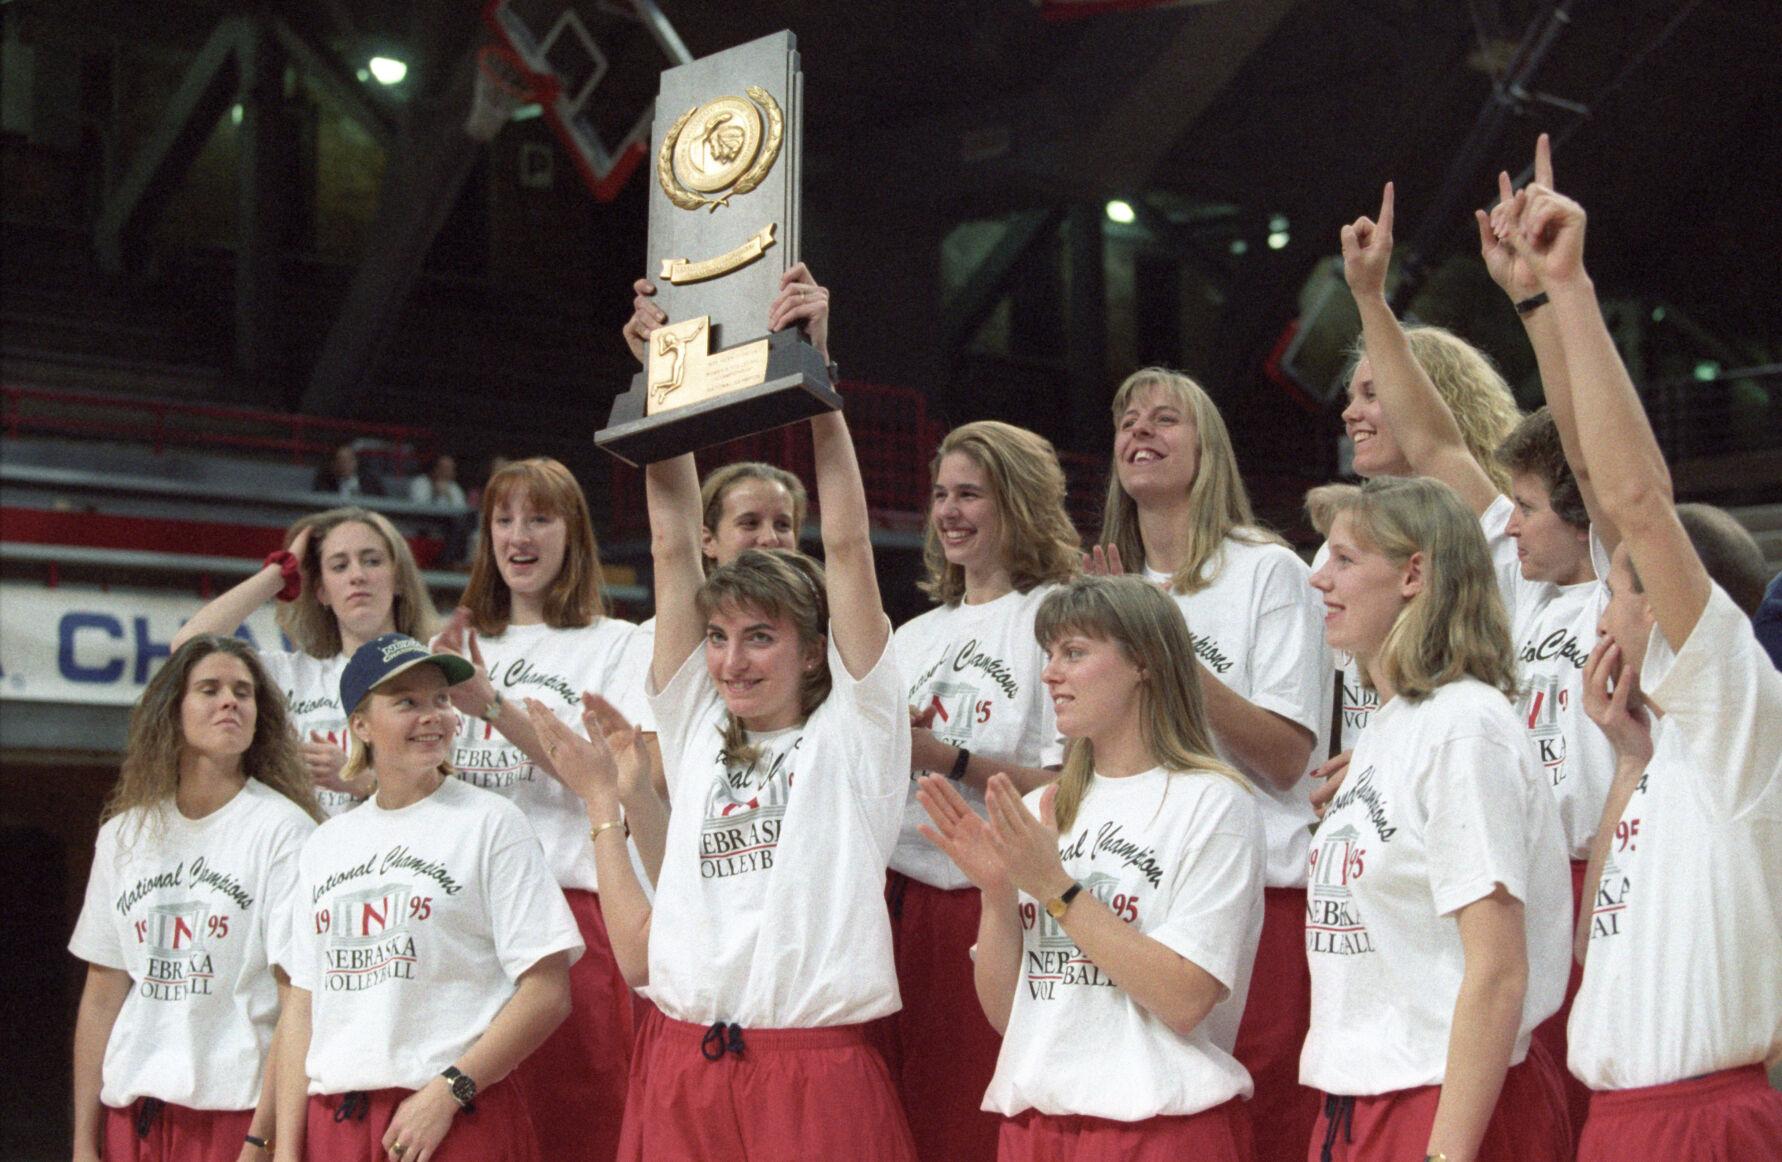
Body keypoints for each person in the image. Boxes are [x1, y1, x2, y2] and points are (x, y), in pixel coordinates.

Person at [535, 264, 918, 1160]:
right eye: (718, 638)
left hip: (812, 1069)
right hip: (682, 1060)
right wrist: (665, 378)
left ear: (813, 649)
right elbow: (673, 541)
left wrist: (818, 380)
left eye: (760, 639)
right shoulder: (698, 726)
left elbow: (847, 543)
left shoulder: (857, 731)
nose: (731, 662)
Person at [1498, 171, 1782, 1159]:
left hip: (1701, 1120)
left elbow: (1631, 499)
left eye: (1621, 588)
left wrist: (1568, 291)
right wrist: (1624, 758)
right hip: (1624, 1120)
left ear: (1671, 604)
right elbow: (1590, 944)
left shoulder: (1740, 713)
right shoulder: (1662, 758)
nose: (1602, 612)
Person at [1336, 151, 1613, 1138]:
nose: (1511, 516)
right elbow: (1437, 448)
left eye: (1530, 502)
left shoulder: (1617, 581)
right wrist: (1370, 299)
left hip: (1597, 870)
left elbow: (1597, 460)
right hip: (1504, 871)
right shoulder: (1510, 578)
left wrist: (1544, 299)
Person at [915, 574, 1263, 1160]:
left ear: (1144, 662)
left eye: (1074, 653)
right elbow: (1012, 1018)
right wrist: (997, 894)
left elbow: (1184, 999)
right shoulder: (1040, 808)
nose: (1050, 674)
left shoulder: (1214, 802)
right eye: (1049, 654)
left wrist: (1056, 888)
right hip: (1036, 1128)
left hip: (1161, 1131)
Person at [1092, 366, 1326, 1160]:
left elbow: (1287, 758)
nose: (1140, 429)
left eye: (1165, 418)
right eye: (1127, 418)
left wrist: (1162, 645)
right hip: (1138, 898)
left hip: (1257, 896)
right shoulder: (1110, 585)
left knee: (1262, 1132)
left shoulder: (1268, 570)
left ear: (1208, 448)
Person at [1303, 476, 1572, 1161]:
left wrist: (1444, 1155)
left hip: (1446, 1105)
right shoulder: (1395, 726)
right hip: (1360, 1097)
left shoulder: (1465, 726)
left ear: (1414, 574)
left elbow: (1498, 972)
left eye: (1344, 559)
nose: (1319, 579)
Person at [274, 634, 581, 1162]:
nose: (433, 715)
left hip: (455, 1116)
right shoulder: (326, 844)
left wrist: (448, 1092)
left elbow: (548, 991)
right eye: (407, 702)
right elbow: (302, 1007)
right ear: (360, 726)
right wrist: (285, 1150)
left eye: (440, 699)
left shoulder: (492, 823)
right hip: (338, 1123)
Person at [433, 455, 655, 1162]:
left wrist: (492, 705)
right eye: (504, 519)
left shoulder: (618, 645)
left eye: (539, 518)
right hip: (461, 918)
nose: (518, 536)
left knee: (581, 1129)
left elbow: (607, 780)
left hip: (572, 914)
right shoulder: (455, 647)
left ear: (573, 534)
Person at [877, 419, 1078, 1160]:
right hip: (899, 899)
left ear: (1017, 501)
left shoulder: (1054, 616)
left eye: (970, 494)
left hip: (993, 899)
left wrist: (949, 757)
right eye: (940, 495)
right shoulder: (912, 636)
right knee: (901, 1117)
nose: (949, 511)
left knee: (969, 1122)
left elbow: (1072, 785)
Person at [69, 635, 321, 1162]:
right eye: (210, 689)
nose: (230, 701)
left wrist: (264, 1139)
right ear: (172, 710)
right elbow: (102, 994)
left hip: (234, 1113)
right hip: (132, 1112)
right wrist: (83, 1142)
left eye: (243, 692)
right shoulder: (123, 834)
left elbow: (296, 999)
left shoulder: (284, 830)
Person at [174, 507, 440, 816]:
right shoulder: (292, 674)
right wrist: (278, 575)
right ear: (322, 591)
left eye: (372, 561)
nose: (357, 576)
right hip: (301, 845)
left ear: (399, 580)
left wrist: (362, 782)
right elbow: (189, 647)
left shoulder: (433, 671)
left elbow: (453, 797)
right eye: (339, 566)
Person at [311, 444, 385, 498]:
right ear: (334, 464)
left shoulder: (371, 482)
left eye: (349, 460)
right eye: (341, 460)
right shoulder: (324, 482)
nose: (345, 464)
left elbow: (383, 502)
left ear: (356, 462)